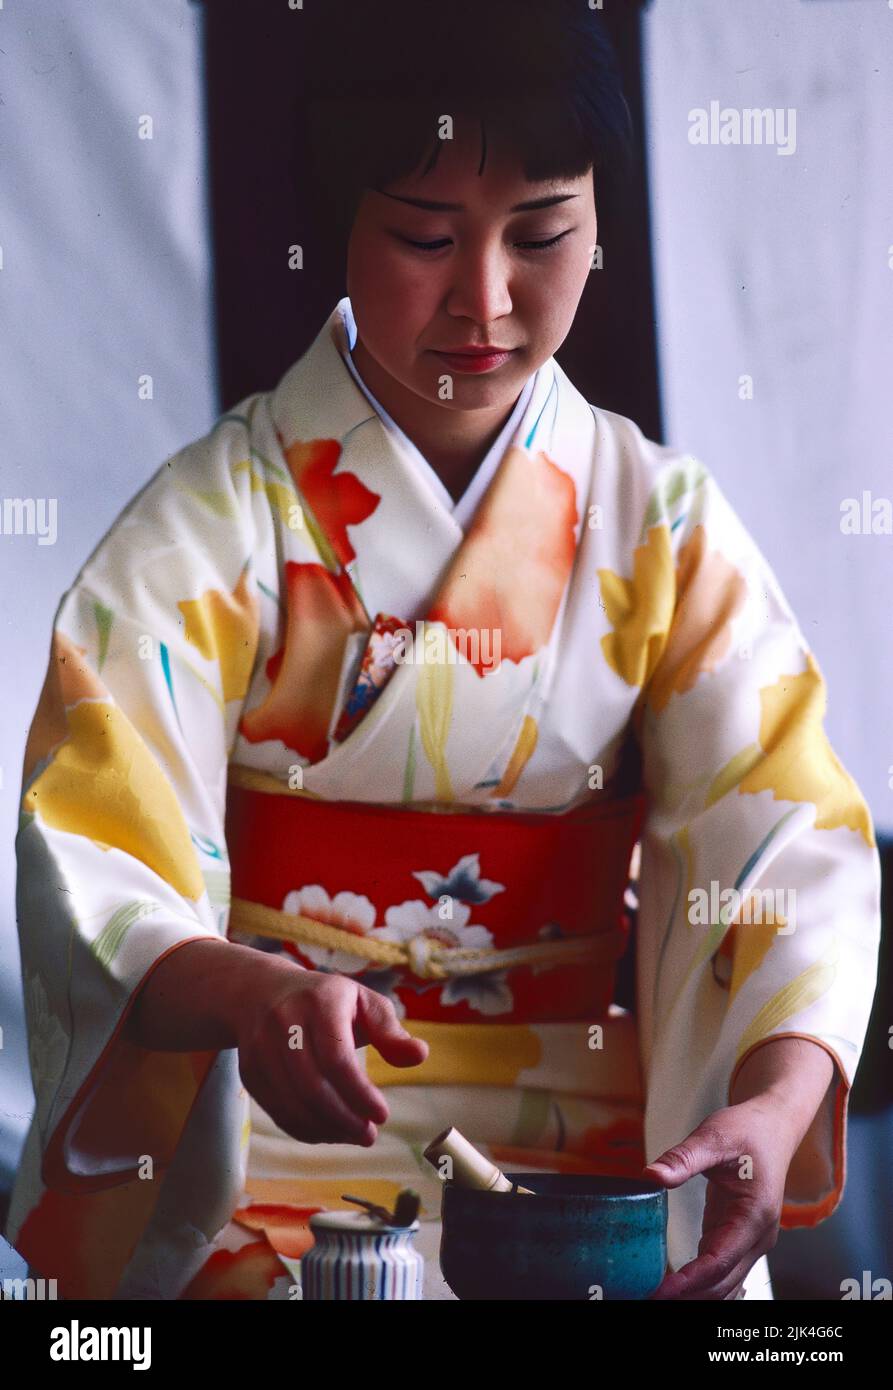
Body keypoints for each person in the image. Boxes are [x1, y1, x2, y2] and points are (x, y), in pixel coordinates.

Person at [4, 0, 881, 1302]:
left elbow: (786, 835)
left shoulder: (660, 527)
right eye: (423, 237)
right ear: (337, 225)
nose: (485, 300)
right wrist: (250, 994)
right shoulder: (214, 523)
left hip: (600, 1176)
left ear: (599, 227)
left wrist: (773, 1096)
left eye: (541, 235)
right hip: (277, 1166)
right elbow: (94, 843)